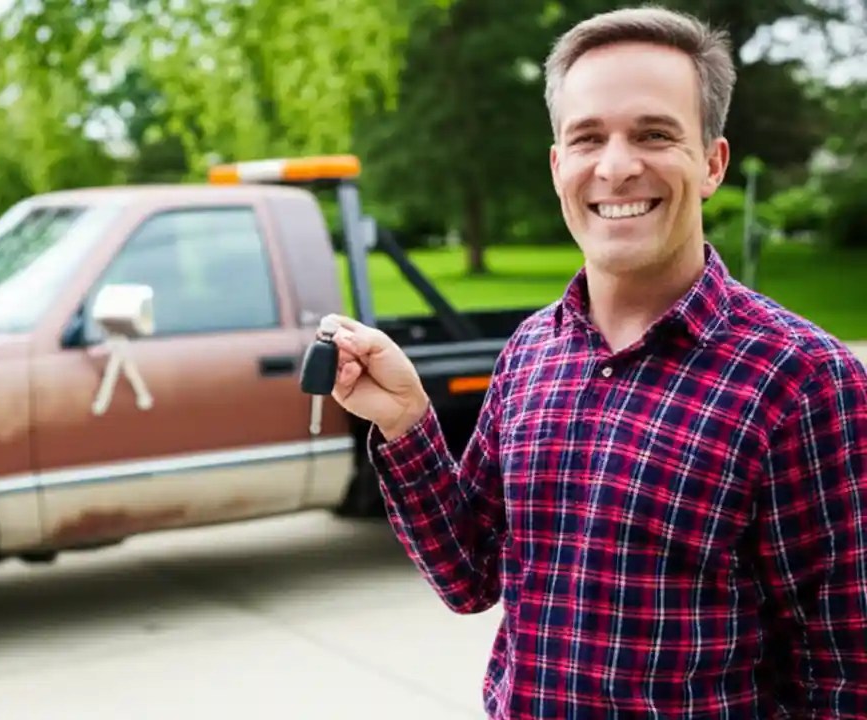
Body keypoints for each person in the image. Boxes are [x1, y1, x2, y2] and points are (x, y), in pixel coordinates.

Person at [324, 5, 867, 718]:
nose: (615, 166)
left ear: (711, 162)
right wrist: (405, 421)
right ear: (558, 166)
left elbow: (848, 668)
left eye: (653, 134)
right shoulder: (529, 356)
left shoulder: (803, 381)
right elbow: (470, 577)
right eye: (588, 138)